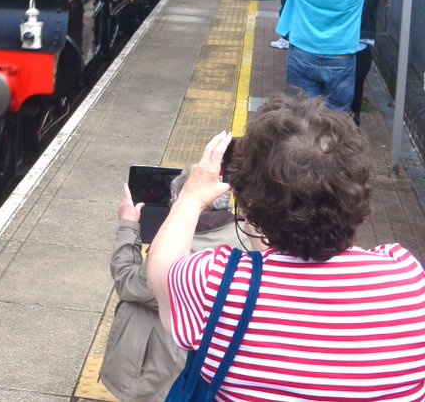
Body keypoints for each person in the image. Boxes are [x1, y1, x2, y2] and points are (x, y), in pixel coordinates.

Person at [147, 96, 425, 400]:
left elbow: (161, 268)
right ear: (356, 193)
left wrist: (191, 197)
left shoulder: (216, 283)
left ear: (250, 205)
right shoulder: (407, 277)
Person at [100, 170, 249, 402]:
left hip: (165, 367)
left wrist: (128, 226)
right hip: (220, 363)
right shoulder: (248, 239)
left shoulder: (174, 256)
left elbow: (129, 284)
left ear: (176, 202)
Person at [352, 0, 385, 125]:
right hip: (361, 46)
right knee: (351, 107)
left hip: (355, 45)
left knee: (347, 108)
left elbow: (363, 8)